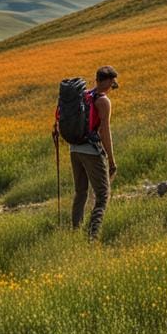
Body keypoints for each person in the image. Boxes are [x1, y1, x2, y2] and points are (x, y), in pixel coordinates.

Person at [57, 66, 118, 241]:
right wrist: (111, 160)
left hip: (74, 148)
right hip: (90, 151)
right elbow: (105, 132)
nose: (113, 85)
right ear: (105, 81)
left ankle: (75, 232)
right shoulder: (102, 101)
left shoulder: (84, 96)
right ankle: (93, 236)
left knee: (81, 192)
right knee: (103, 195)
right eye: (112, 82)